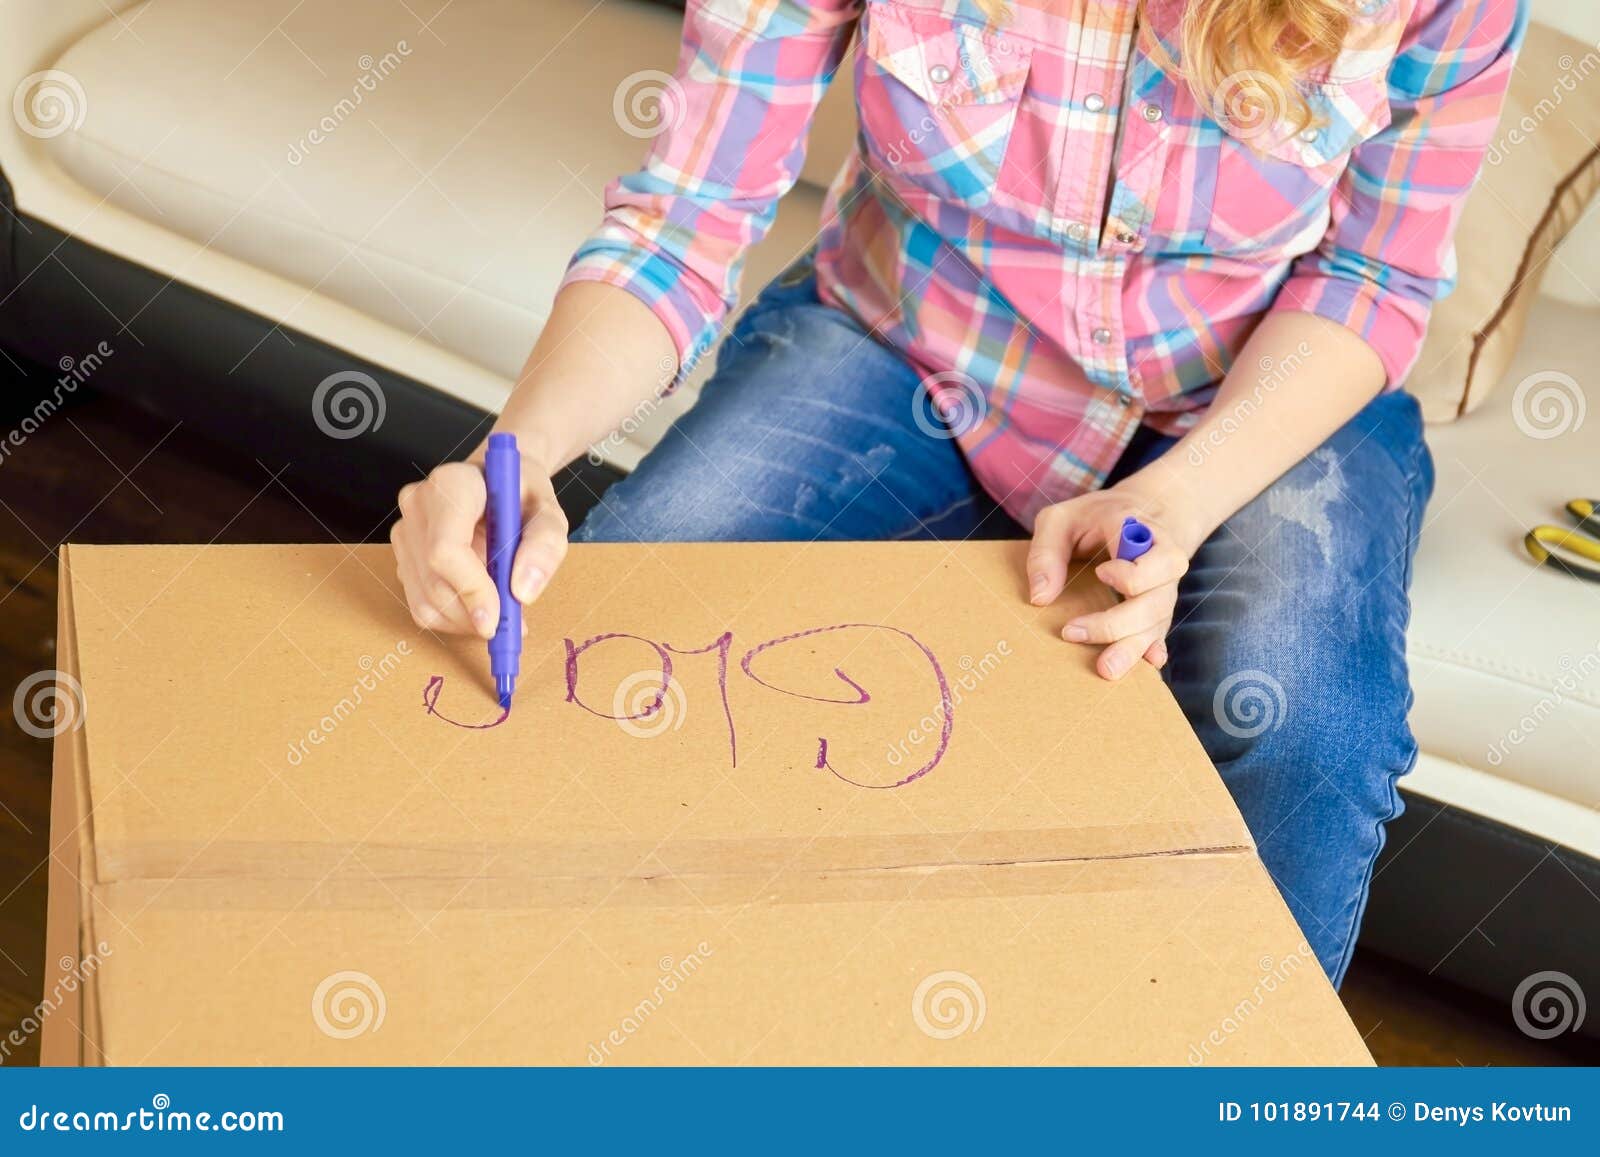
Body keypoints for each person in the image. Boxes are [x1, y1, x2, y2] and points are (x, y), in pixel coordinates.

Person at [389, 0, 1524, 985]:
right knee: (613, 634)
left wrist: (1180, 497)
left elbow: (1374, 273)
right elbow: (682, 218)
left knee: (1303, 729)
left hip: (1267, 393)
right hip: (913, 338)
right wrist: (522, 449)